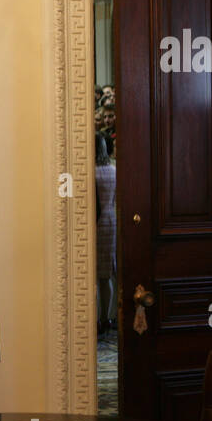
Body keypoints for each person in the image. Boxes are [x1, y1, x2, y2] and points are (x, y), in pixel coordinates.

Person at [95, 133, 117, 333]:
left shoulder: (90, 172)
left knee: (91, 274)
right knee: (106, 274)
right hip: (110, 221)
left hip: (93, 222)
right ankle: (107, 317)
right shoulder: (113, 171)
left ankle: (95, 317)